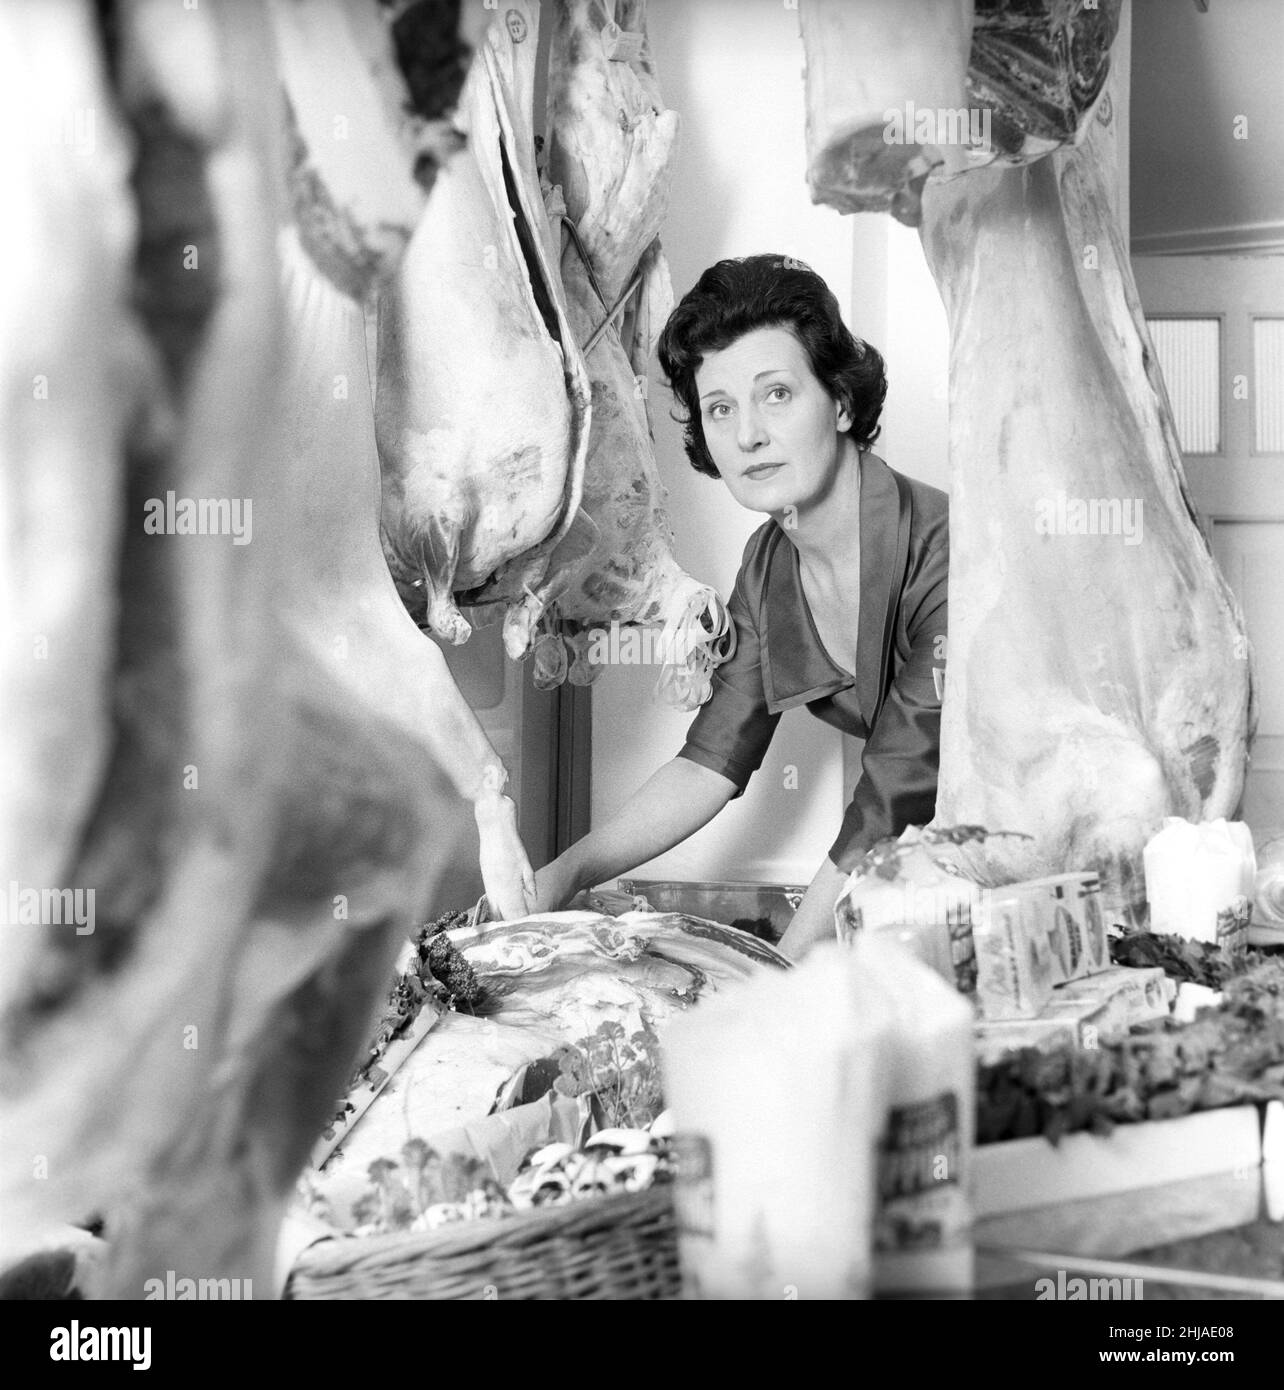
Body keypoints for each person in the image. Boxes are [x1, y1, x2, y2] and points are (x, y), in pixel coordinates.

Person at [533, 254, 949, 958]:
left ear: (842, 403)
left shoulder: (944, 556)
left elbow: (889, 803)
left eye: (777, 394)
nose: (747, 434)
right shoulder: (769, 563)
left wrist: (777, 979)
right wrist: (563, 873)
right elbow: (710, 762)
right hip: (926, 868)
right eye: (719, 408)